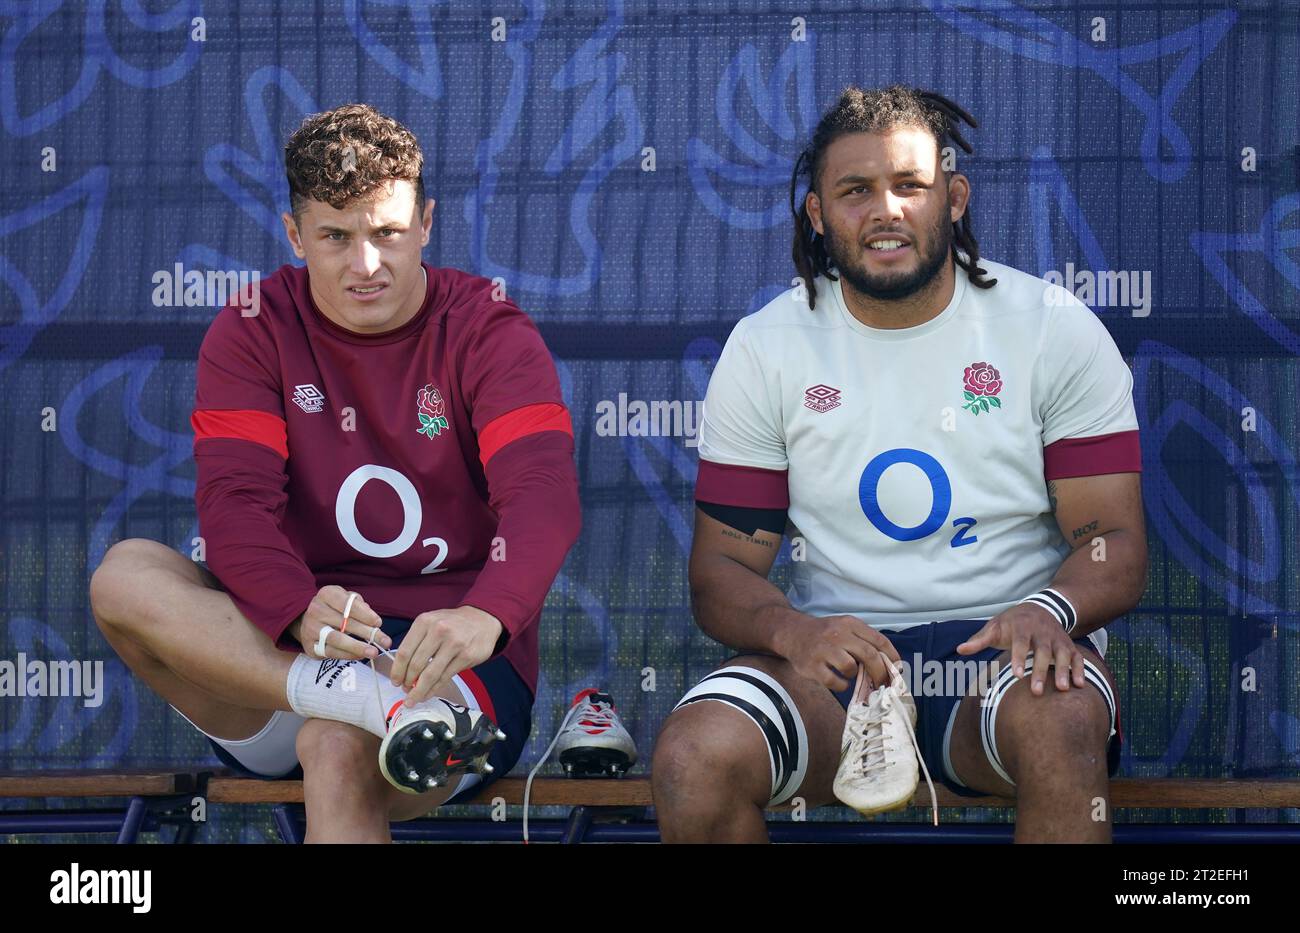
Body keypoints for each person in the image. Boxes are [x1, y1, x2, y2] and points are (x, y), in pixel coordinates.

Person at [652, 85, 1145, 843]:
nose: (885, 210)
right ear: (817, 214)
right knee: (695, 754)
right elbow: (719, 573)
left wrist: (1048, 611)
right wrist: (794, 632)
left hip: (1003, 657)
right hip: (843, 672)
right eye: (855, 191)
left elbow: (1114, 539)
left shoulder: (1049, 327)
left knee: (1063, 714)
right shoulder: (767, 345)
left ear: (953, 198)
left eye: (909, 186)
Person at [90, 104, 581, 842]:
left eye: (387, 232)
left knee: (335, 744)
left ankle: (364, 706)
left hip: (443, 664)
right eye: (335, 237)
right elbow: (234, 508)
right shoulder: (253, 325)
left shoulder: (487, 325)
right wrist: (292, 606)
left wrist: (486, 615)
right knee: (122, 575)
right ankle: (354, 695)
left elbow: (541, 497)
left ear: (425, 223)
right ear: (294, 235)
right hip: (287, 655)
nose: (366, 264)